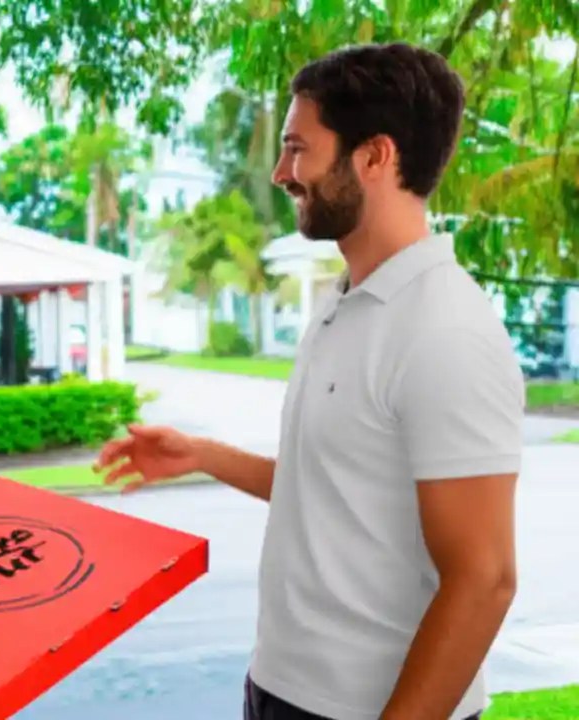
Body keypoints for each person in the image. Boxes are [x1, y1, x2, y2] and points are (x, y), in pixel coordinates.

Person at [98, 43, 522, 720]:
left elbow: (485, 579)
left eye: (299, 148)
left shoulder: (446, 331)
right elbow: (334, 488)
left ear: (375, 157)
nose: (280, 171)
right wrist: (202, 455)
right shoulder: (343, 303)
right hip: (278, 688)